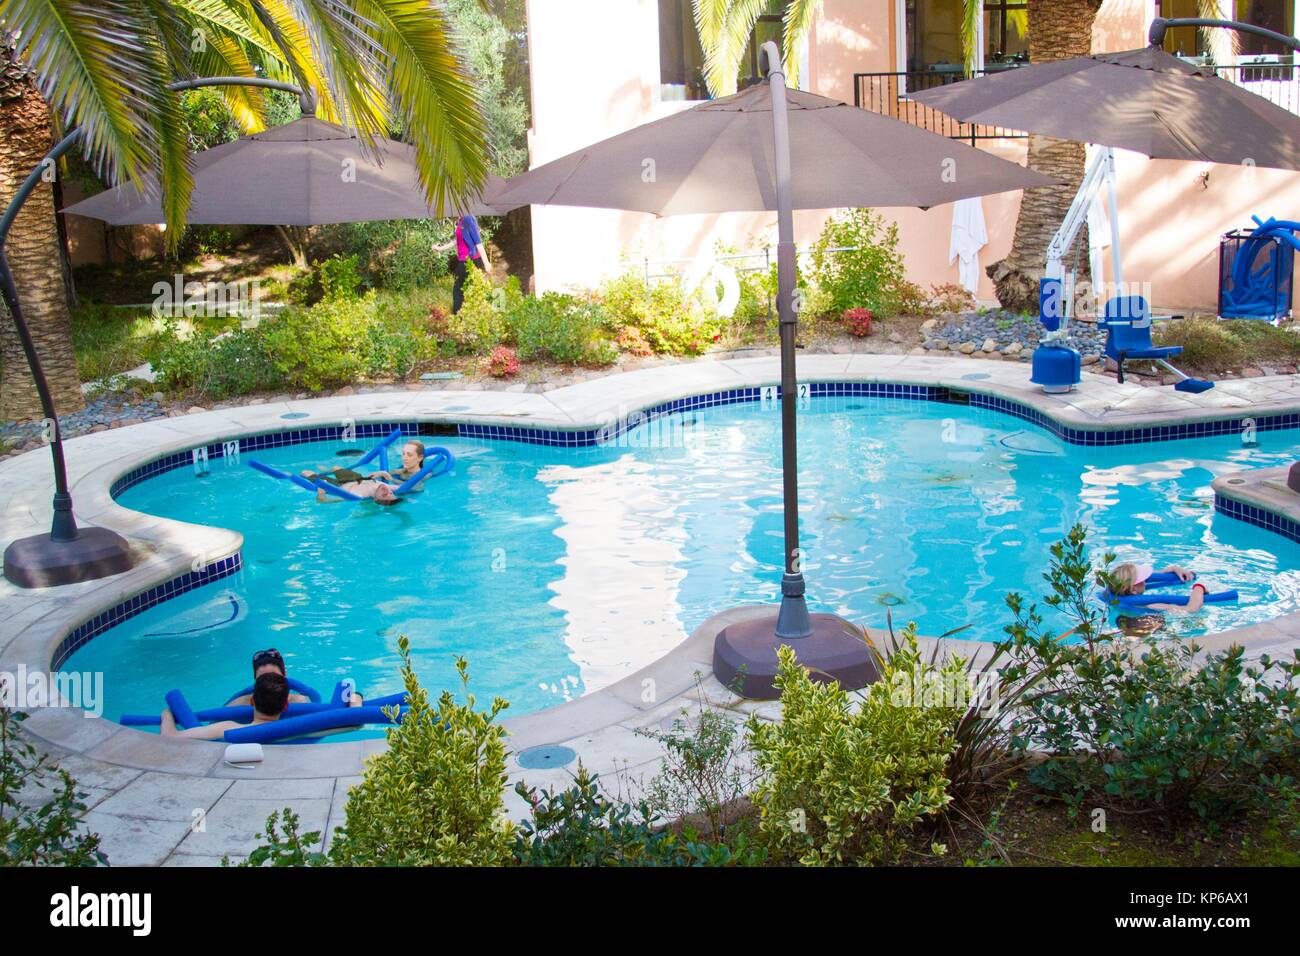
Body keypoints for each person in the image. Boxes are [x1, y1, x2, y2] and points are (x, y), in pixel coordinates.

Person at [162, 671, 290, 740]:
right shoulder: (297, 730)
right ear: (285, 706)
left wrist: (167, 714)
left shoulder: (227, 728)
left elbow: (170, 737)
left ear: (252, 702)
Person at [227, 648, 363, 709]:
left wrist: (356, 697)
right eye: (263, 678)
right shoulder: (240, 703)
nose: (269, 682)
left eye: (274, 676)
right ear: (255, 679)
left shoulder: (300, 702)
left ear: (284, 675)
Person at [1107, 562, 1209, 635]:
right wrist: (1199, 588)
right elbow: (1192, 609)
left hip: (1124, 622)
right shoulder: (1151, 605)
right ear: (1133, 589)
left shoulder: (1117, 598)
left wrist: (1173, 568)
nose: (1146, 581)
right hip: (1148, 628)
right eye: (1143, 580)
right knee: (1198, 624)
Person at [433, 214, 491, 314]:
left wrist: (486, 263)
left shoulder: (468, 218)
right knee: (465, 290)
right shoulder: (461, 220)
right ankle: (466, 316)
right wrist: (440, 249)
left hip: (469, 262)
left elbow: (478, 242)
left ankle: (458, 318)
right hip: (463, 261)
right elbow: (457, 241)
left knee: (458, 291)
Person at [298, 465, 401, 505]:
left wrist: (321, 492)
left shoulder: (359, 496)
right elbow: (413, 487)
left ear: (376, 499)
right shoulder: (389, 487)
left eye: (384, 495)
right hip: (357, 478)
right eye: (390, 492)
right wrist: (384, 474)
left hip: (337, 486)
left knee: (305, 472)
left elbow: (323, 501)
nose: (386, 490)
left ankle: (316, 474)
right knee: (335, 467)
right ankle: (325, 470)